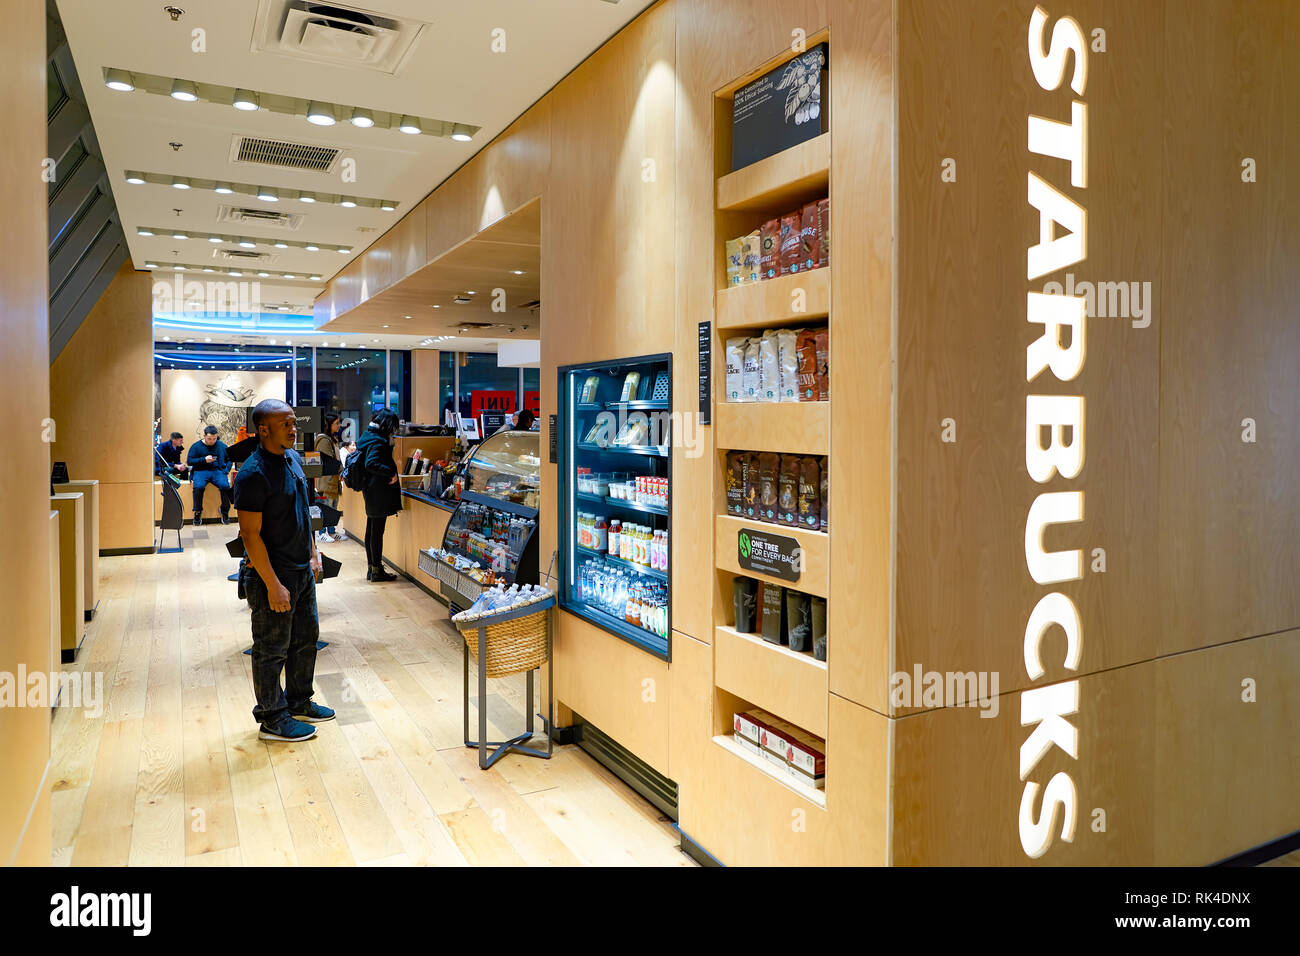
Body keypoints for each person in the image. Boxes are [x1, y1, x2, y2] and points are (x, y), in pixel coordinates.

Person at [233, 398, 334, 742]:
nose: (294, 429)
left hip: (302, 569)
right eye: (286, 424)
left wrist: (314, 552)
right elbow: (249, 535)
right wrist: (273, 584)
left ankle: (298, 701)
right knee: (272, 647)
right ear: (264, 430)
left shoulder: (291, 458)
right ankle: (273, 719)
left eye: (294, 422)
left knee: (306, 639)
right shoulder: (252, 473)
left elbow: (303, 510)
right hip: (271, 575)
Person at [354, 407, 402, 582]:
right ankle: (376, 570)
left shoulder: (368, 435)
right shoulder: (378, 440)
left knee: (371, 529)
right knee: (377, 532)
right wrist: (391, 473)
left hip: (371, 489)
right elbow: (371, 463)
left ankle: (372, 568)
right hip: (378, 491)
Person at [187, 425, 232, 524]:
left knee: (225, 486)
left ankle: (224, 510)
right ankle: (198, 511)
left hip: (217, 470)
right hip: (201, 470)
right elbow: (189, 461)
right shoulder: (196, 446)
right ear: (204, 436)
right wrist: (204, 460)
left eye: (214, 438)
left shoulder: (222, 445)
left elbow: (230, 459)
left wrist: (226, 470)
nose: (212, 441)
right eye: (209, 439)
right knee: (198, 487)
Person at [315, 411, 344, 543]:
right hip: (326, 480)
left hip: (334, 480)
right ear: (329, 424)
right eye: (336, 423)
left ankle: (331, 531)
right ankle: (322, 532)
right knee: (325, 507)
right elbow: (328, 461)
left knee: (333, 506)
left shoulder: (333, 439)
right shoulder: (323, 440)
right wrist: (341, 470)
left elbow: (336, 459)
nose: (339, 425)